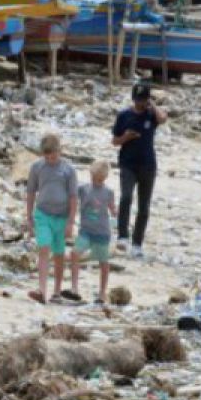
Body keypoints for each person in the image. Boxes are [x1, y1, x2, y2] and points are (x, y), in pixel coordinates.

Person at [112, 82, 167, 258]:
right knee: (126, 197)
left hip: (148, 165)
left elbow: (163, 119)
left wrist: (153, 105)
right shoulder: (123, 115)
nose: (139, 104)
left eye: (143, 101)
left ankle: (137, 243)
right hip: (128, 164)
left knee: (144, 206)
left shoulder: (151, 115)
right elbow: (114, 141)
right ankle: (122, 236)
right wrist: (126, 137)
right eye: (137, 100)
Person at [25, 133, 78, 304]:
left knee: (59, 254)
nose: (50, 159)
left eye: (53, 155)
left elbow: (73, 197)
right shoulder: (37, 167)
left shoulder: (69, 170)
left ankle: (56, 291)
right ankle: (42, 290)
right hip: (43, 214)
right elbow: (31, 192)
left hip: (61, 218)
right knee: (44, 248)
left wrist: (71, 221)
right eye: (46, 156)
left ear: (59, 151)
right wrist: (29, 217)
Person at [69, 161, 117, 304]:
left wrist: (115, 212)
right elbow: (71, 192)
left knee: (103, 261)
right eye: (94, 178)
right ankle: (74, 287)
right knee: (75, 253)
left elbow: (112, 208)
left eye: (100, 179)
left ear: (105, 178)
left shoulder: (108, 192)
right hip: (85, 231)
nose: (96, 181)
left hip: (102, 232)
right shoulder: (84, 188)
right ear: (90, 174)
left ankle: (102, 292)